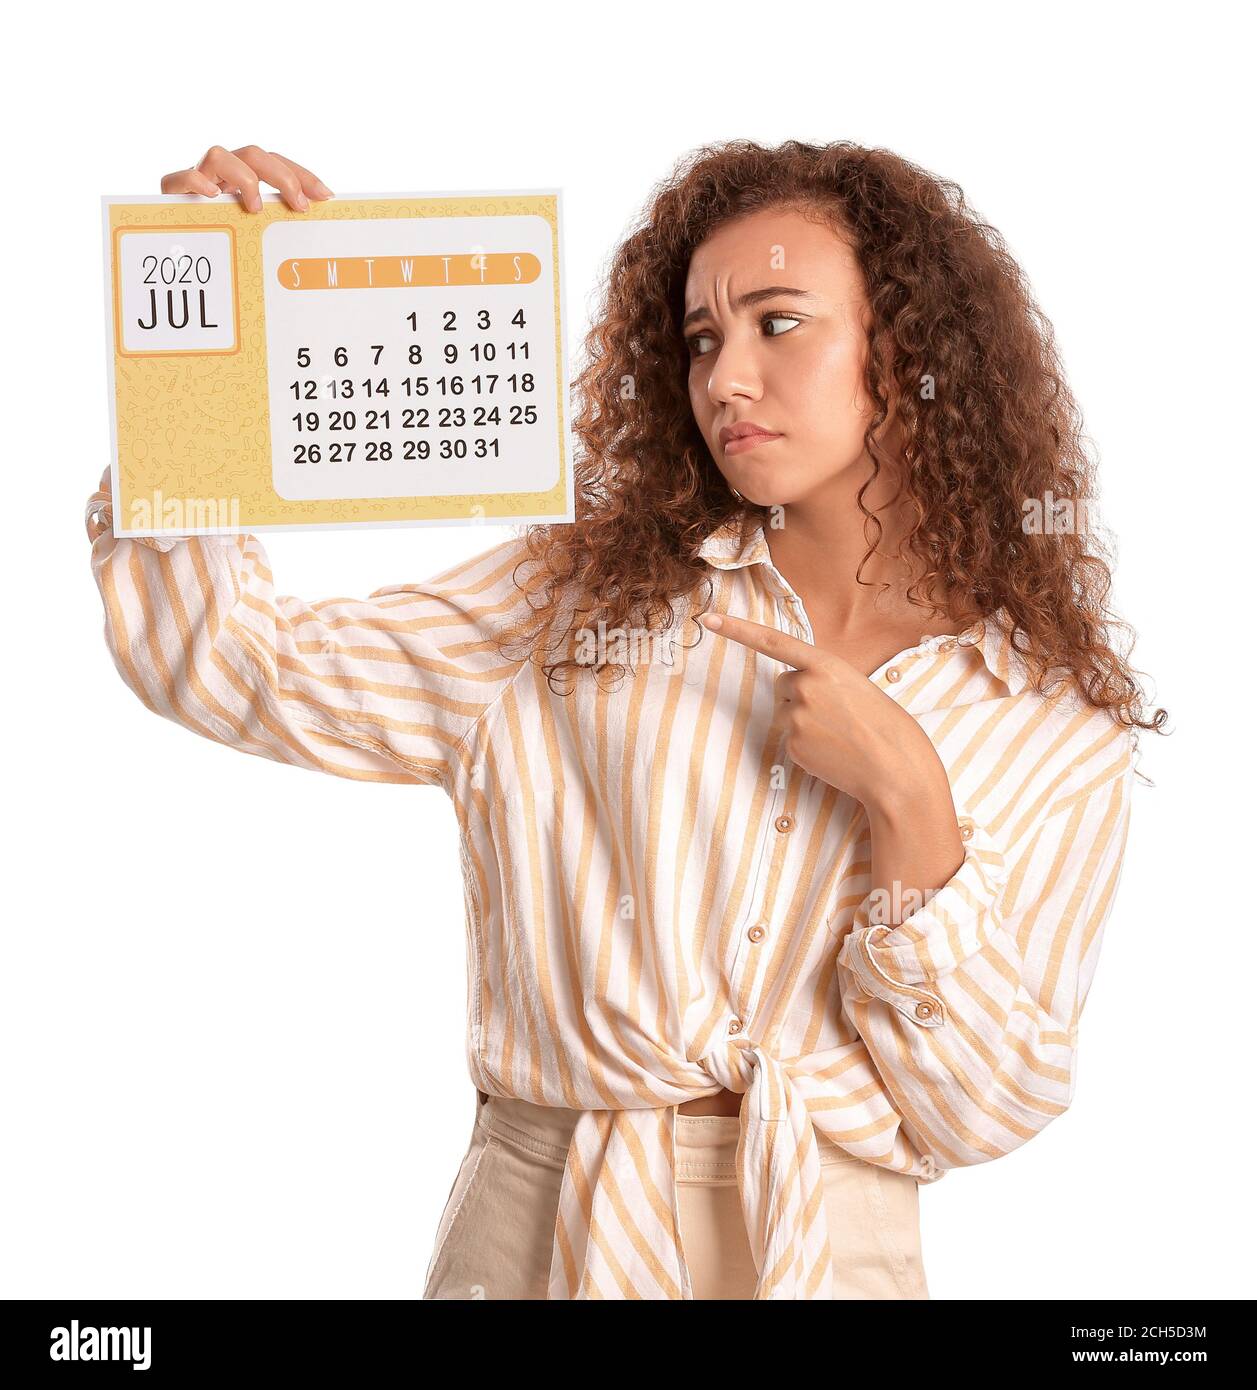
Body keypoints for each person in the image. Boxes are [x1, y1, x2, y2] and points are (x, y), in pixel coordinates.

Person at [85, 140, 1163, 1300]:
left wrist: (912, 806)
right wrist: (199, 352)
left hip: (825, 1239)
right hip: (544, 1217)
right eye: (701, 339)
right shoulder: (574, 604)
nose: (726, 379)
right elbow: (233, 663)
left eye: (778, 322)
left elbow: (987, 1109)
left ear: (910, 348)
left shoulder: (1052, 720)